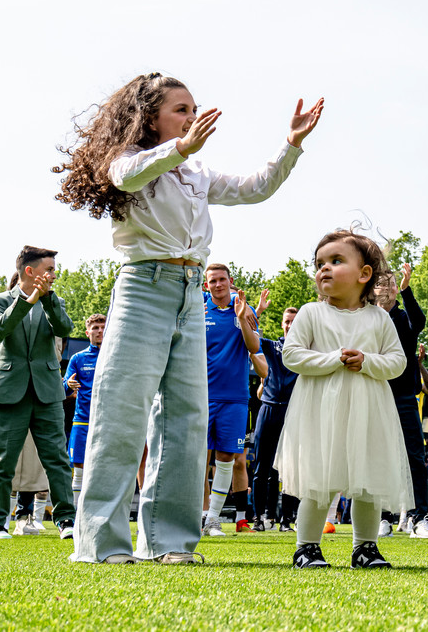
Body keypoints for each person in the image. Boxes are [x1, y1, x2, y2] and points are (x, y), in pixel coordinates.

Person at [57, 72, 323, 565]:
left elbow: (255, 188)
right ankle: (100, 544)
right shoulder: (130, 161)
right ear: (149, 116)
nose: (192, 116)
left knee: (186, 420)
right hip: (143, 288)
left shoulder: (195, 172)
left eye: (193, 108)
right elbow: (127, 176)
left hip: (190, 294)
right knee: (120, 416)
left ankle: (170, 542)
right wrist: (180, 146)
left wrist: (290, 145)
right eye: (181, 109)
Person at [276, 231, 409, 569]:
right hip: (321, 410)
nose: (324, 269)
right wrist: (332, 359)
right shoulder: (310, 314)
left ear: (364, 274)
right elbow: (291, 355)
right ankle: (306, 547)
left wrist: (367, 361)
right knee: (319, 481)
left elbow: (397, 362)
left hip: (368, 411)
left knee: (369, 481)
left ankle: (365, 548)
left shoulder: (378, 318)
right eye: (319, 263)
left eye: (335, 261)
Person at [0, 246, 78, 541]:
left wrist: (46, 302)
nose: (54, 274)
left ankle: (66, 520)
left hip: (47, 390)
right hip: (10, 390)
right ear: (30, 272)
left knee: (58, 460)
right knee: (2, 460)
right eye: (49, 269)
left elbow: (65, 327)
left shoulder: (52, 301)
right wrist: (26, 300)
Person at [199, 264, 262, 537]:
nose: (218, 285)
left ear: (230, 281)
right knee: (199, 458)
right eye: (212, 281)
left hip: (235, 398)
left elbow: (254, 347)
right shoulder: (197, 310)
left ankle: (213, 518)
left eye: (222, 279)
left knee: (226, 457)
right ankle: (199, 515)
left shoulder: (244, 310)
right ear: (206, 285)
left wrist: (243, 317)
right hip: (200, 396)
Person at [374, 263, 428, 539]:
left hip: (404, 397)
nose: (385, 288)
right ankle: (382, 518)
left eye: (391, 283)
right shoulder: (367, 316)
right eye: (380, 283)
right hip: (375, 395)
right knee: (379, 458)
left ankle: (418, 518)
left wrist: (408, 290)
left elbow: (419, 322)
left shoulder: (404, 317)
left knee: (414, 458)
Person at [251, 308, 301, 533]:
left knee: (291, 469)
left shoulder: (305, 351)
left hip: (293, 412)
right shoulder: (272, 346)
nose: (290, 325)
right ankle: (259, 518)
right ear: (282, 324)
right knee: (262, 467)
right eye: (287, 322)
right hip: (268, 410)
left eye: (294, 321)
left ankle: (286, 521)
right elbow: (252, 337)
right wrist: (255, 313)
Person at [62, 313, 105, 527]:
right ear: (87, 332)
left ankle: (101, 516)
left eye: (102, 327)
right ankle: (78, 516)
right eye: (95, 328)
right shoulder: (78, 358)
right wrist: (68, 384)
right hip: (83, 421)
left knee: (104, 469)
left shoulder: (116, 355)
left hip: (108, 423)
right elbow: (63, 385)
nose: (99, 331)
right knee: (78, 468)